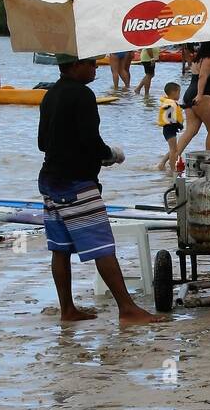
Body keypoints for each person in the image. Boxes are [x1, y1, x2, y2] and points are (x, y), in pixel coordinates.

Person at [37, 53, 158, 324]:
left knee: (60, 248)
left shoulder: (50, 94)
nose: (96, 68)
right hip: (75, 182)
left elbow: (43, 143)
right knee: (102, 245)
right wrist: (111, 154)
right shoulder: (83, 96)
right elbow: (92, 143)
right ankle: (127, 309)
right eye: (91, 63)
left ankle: (67, 309)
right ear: (76, 65)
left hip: (49, 180)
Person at [171, 41, 210, 162]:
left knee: (190, 131)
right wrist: (200, 95)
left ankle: (169, 161)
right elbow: (203, 77)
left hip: (190, 95)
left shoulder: (199, 59)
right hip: (203, 98)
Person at [156, 82, 186, 173]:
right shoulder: (169, 103)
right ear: (173, 92)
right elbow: (169, 117)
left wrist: (188, 105)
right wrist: (177, 124)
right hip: (169, 129)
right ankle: (173, 169)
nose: (179, 95)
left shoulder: (170, 102)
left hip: (169, 129)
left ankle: (162, 164)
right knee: (174, 150)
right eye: (179, 92)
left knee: (174, 149)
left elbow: (177, 107)